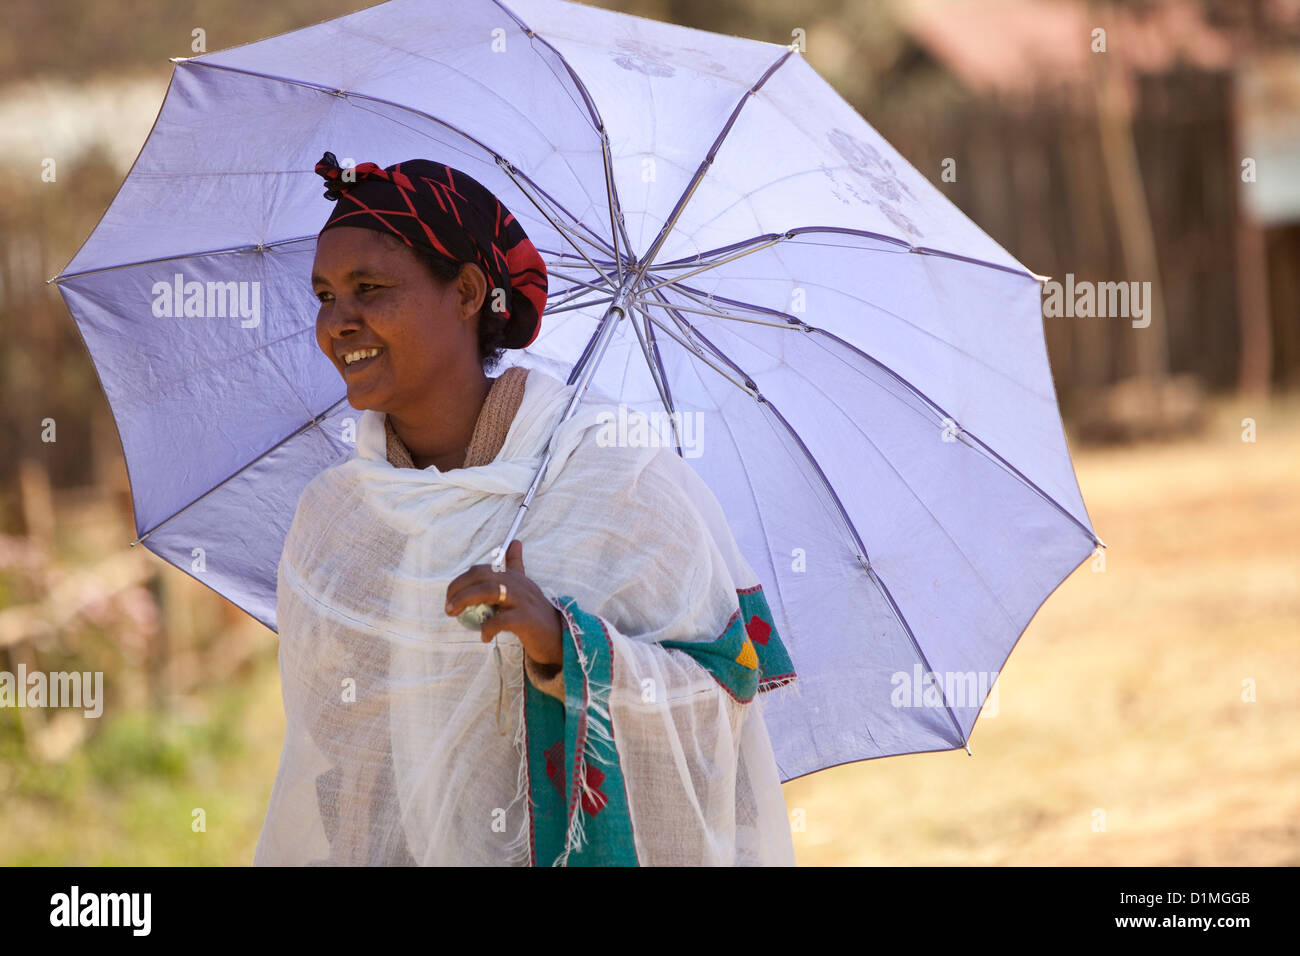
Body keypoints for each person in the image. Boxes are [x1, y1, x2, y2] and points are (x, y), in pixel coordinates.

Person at [253, 151, 798, 866]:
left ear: (469, 291)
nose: (338, 322)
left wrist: (563, 650)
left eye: (370, 288)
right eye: (325, 295)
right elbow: (337, 746)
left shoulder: (614, 478)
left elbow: (725, 689)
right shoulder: (339, 521)